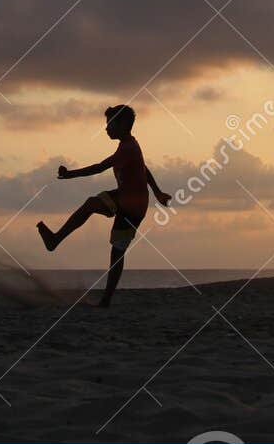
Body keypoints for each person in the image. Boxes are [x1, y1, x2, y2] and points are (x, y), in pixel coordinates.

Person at [37, 105, 172, 307]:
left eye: (110, 124)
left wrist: (69, 174)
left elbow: (99, 168)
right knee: (91, 204)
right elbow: (144, 168)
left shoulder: (128, 148)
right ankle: (55, 240)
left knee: (117, 252)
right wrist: (157, 192)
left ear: (123, 125)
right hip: (123, 197)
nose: (107, 128)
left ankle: (106, 300)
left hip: (133, 207)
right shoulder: (128, 146)